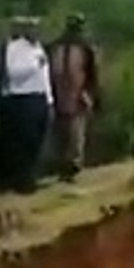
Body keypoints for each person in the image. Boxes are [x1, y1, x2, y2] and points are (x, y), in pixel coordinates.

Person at [0, 16, 52, 194]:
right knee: (24, 141)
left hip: (40, 97)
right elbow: (14, 74)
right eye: (32, 29)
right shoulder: (15, 48)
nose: (36, 32)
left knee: (37, 141)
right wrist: (35, 65)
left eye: (38, 28)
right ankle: (21, 181)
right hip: (22, 98)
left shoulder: (39, 47)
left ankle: (30, 176)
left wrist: (49, 100)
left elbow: (44, 76)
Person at [48, 13, 101, 182]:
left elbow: (92, 74)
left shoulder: (86, 48)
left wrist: (89, 93)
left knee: (75, 134)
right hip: (56, 95)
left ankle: (73, 167)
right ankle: (61, 167)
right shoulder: (54, 46)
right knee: (60, 134)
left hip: (78, 95)